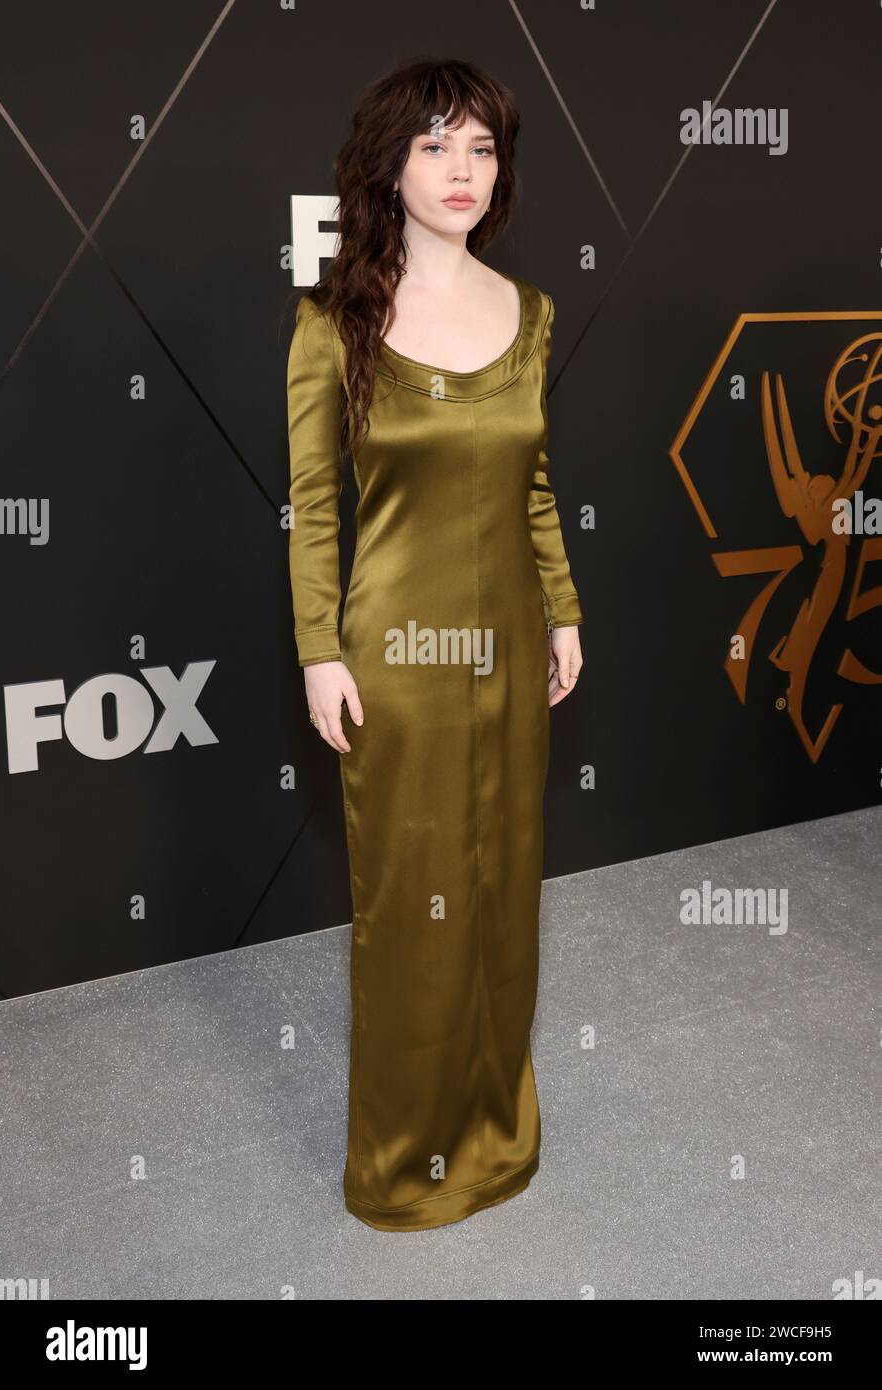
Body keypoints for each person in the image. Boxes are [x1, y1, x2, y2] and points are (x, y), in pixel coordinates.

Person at [286, 57, 583, 1232]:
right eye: (436, 146)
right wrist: (321, 648)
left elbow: (535, 485)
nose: (462, 172)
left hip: (510, 648)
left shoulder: (532, 312)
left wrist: (562, 607)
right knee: (410, 904)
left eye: (483, 150)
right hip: (396, 662)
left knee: (503, 892)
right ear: (389, 163)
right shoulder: (330, 325)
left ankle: (497, 1131)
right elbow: (315, 507)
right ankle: (402, 1163)